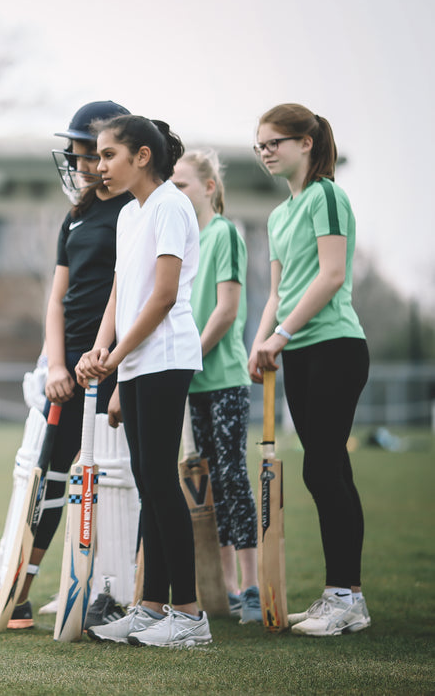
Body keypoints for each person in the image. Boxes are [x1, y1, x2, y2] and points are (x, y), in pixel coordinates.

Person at [0, 101, 134, 629]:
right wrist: (56, 364)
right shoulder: (77, 215)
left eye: (82, 152)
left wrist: (109, 362)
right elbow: (57, 299)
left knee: (123, 484)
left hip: (115, 362)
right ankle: (17, 594)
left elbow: (133, 299)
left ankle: (121, 596)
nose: (76, 164)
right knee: (47, 479)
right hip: (70, 369)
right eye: (73, 153)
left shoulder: (136, 212)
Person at [76, 114, 212, 648]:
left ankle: (190, 616)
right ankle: (153, 608)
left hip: (166, 356)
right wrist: (101, 348)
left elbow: (163, 296)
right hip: (134, 363)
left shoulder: (172, 206)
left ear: (142, 156)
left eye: (109, 155)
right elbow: (119, 291)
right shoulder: (129, 215)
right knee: (148, 484)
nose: (99, 166)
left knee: (159, 483)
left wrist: (114, 359)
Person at [247, 103, 369, 637]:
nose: (266, 152)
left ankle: (345, 598)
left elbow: (331, 274)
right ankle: (341, 597)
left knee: (323, 467)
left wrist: (283, 333)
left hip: (336, 345)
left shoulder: (328, 196)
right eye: (260, 145)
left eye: (275, 142)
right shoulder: (278, 215)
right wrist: (260, 340)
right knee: (324, 468)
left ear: (307, 144)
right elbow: (277, 291)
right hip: (296, 349)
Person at [172, 149, 260, 623]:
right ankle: (224, 587)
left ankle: (251, 586)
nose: (177, 194)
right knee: (205, 485)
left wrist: (189, 357)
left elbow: (226, 310)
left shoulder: (224, 232)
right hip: (192, 381)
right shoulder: (183, 241)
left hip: (222, 378)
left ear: (208, 187)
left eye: (183, 184)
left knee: (231, 477)